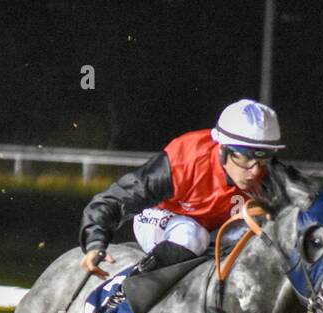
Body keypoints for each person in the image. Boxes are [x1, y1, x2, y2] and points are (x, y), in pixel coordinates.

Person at [78, 98, 285, 282]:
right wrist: (95, 242)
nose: (255, 170)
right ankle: (126, 293)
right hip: (163, 218)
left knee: (262, 236)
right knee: (192, 235)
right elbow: (114, 199)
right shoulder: (185, 161)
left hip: (216, 229)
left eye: (263, 158)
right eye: (245, 157)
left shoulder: (269, 172)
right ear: (222, 149)